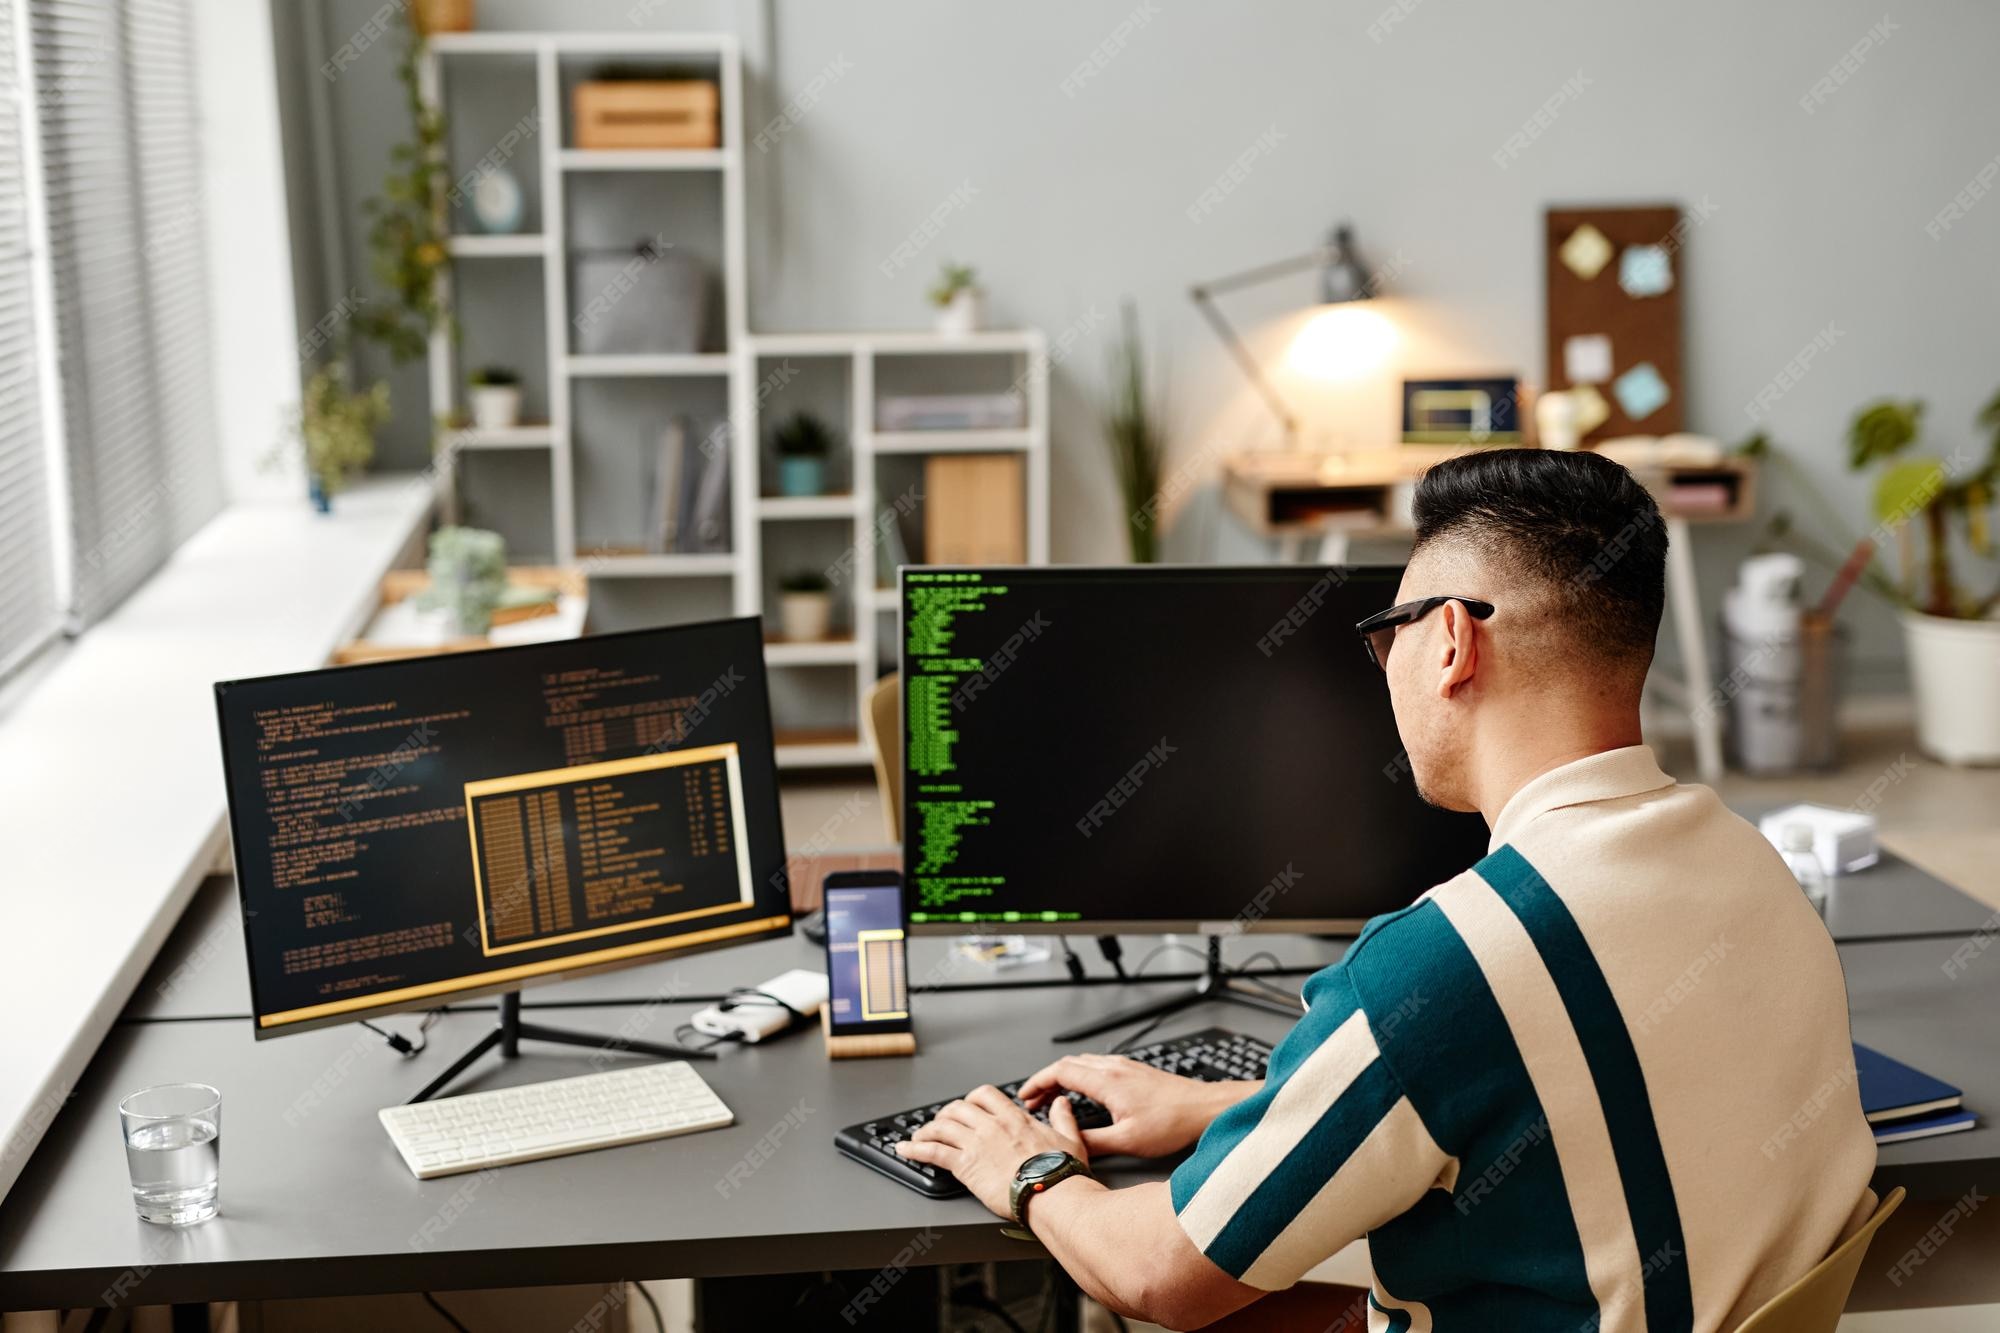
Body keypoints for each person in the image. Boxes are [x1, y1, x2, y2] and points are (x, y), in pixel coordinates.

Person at [896, 449, 1877, 1331]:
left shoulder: (1441, 963)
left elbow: (1160, 1276)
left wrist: (1026, 1167)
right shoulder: (1755, 867)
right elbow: (1574, 1085)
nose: (1383, 670)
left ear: (1449, 640)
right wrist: (1231, 1106)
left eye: (1384, 633)